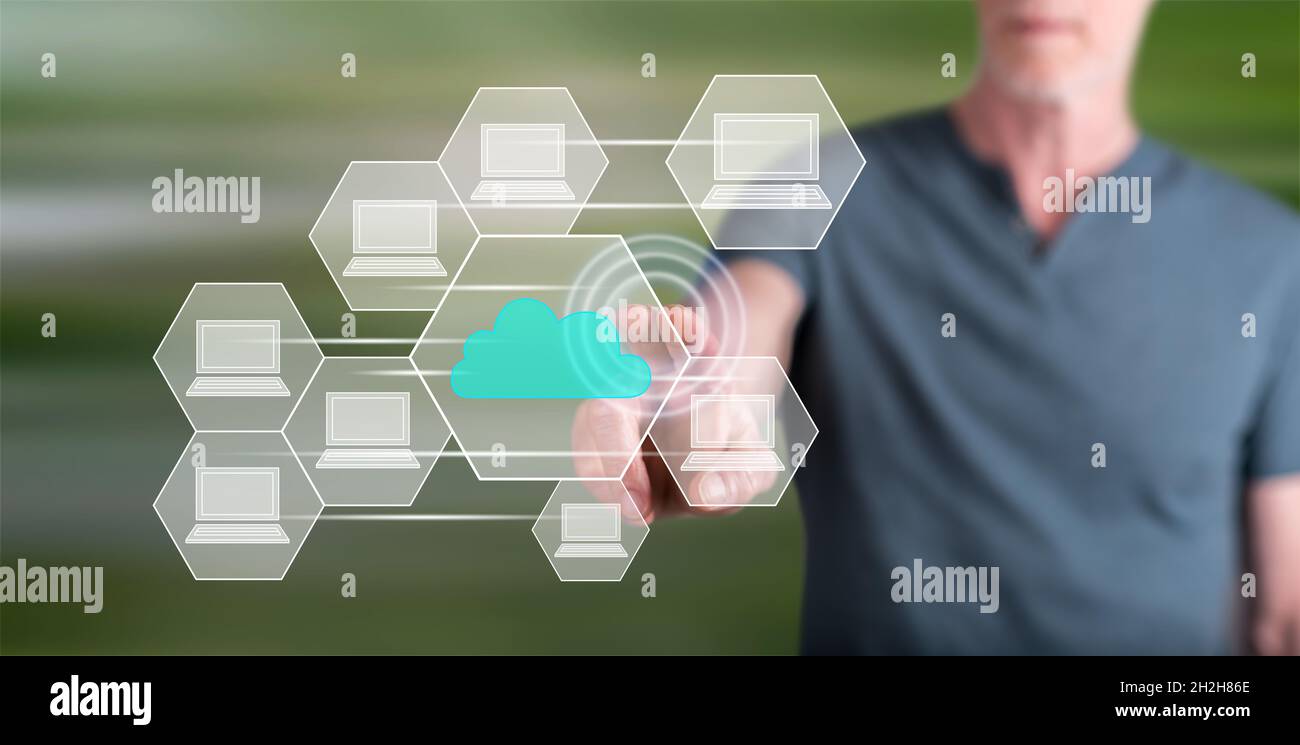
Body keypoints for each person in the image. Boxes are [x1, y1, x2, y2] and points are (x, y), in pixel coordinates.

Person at [577, 0, 1300, 654]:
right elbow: (741, 328)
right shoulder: (819, 187)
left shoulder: (1271, 255)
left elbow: (1281, 612)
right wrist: (689, 402)